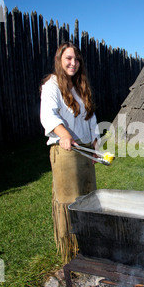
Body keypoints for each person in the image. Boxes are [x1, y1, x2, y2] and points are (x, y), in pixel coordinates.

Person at [40, 42, 98, 264]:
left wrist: (95, 146)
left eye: (76, 59)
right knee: (69, 202)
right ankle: (71, 253)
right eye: (69, 59)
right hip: (65, 152)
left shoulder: (80, 86)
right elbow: (48, 114)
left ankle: (88, 243)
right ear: (60, 60)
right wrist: (64, 134)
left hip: (84, 151)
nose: (73, 63)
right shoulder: (51, 85)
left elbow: (91, 117)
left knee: (88, 197)